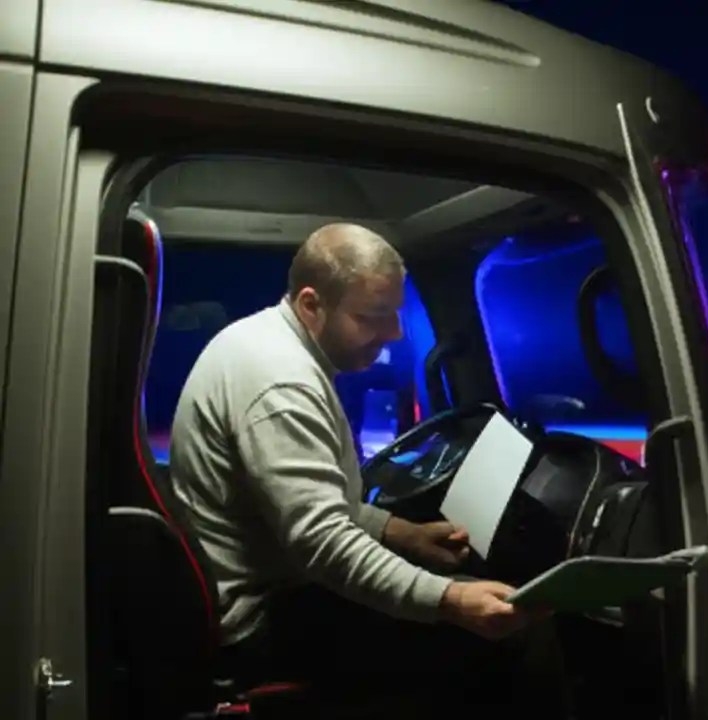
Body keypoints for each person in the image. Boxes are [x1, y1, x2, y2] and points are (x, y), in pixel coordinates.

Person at [167, 222, 549, 707]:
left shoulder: (270, 345)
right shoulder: (282, 384)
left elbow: (311, 505)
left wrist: (401, 533)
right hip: (259, 622)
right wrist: (452, 602)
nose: (392, 334)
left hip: (278, 585)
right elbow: (323, 542)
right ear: (311, 305)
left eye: (394, 313)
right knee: (506, 634)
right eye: (372, 317)